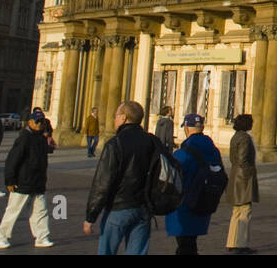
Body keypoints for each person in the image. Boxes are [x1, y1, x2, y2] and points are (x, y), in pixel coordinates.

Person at [83, 100, 160, 255]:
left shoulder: (115, 144)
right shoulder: (152, 141)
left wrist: (91, 216)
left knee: (107, 251)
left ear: (124, 118)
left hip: (118, 207)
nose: (114, 118)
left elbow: (102, 183)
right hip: (143, 207)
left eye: (116, 115)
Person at [0, 109, 53, 249]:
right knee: (13, 210)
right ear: (30, 122)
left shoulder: (41, 137)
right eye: (37, 121)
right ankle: (1, 237)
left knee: (40, 211)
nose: (40, 124)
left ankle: (42, 236)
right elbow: (12, 160)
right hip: (23, 182)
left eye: (42, 122)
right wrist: (10, 180)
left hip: (38, 182)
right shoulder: (24, 138)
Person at [167, 113, 223, 254]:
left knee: (185, 246)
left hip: (185, 205)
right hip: (205, 202)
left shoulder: (183, 152)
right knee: (190, 244)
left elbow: (172, 179)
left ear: (186, 127)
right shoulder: (213, 151)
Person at [226, 114, 258, 254]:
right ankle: (241, 243)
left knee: (236, 211)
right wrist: (249, 172)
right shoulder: (245, 138)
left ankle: (231, 241)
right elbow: (242, 158)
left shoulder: (235, 136)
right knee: (245, 211)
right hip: (243, 177)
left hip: (235, 174)